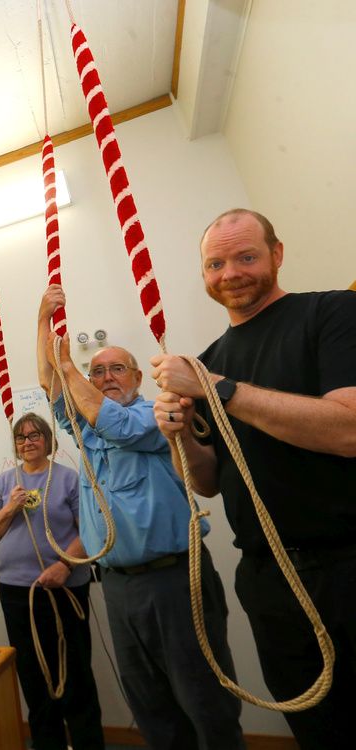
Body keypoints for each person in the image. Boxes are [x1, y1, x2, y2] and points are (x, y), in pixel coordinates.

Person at [150, 208, 356, 749]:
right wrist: (181, 436)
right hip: (267, 578)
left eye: (246, 256)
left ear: (277, 254)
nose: (231, 272)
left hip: (345, 563)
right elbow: (209, 481)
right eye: (216, 263)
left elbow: (348, 429)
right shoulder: (212, 360)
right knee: (317, 727)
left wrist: (219, 389)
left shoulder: (332, 313)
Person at [36, 288, 245, 750]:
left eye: (115, 369)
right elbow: (53, 390)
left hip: (174, 581)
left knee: (203, 697)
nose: (105, 377)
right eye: (97, 371)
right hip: (117, 584)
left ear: (135, 376)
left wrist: (72, 366)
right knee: (149, 702)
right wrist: (42, 322)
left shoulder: (160, 413)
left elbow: (113, 422)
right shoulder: (88, 427)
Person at [0, 413, 104, 750]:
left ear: (48, 440)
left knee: (74, 672)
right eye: (21, 437)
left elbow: (89, 530)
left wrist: (65, 566)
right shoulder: (5, 483)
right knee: (33, 676)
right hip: (17, 593)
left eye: (35, 435)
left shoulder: (68, 479)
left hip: (65, 587)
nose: (28, 441)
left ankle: (87, 743)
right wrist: (10, 508)